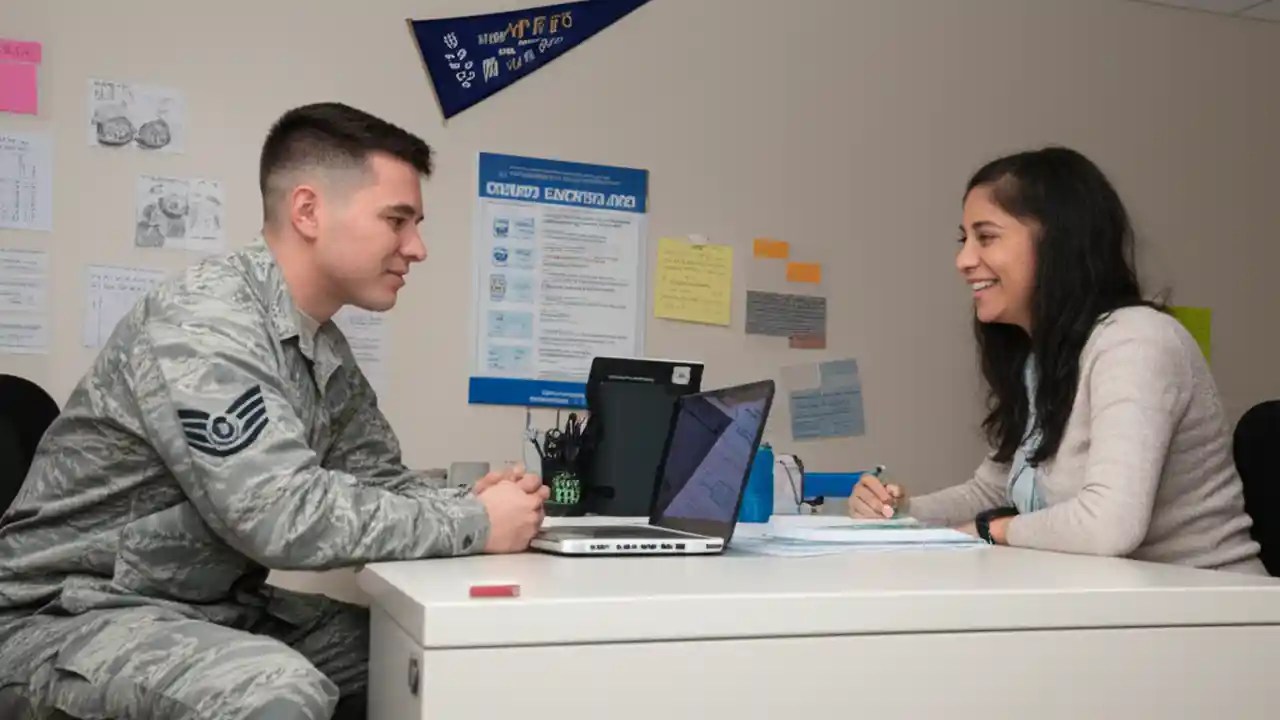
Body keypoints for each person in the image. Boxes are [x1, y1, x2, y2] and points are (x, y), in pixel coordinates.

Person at [0, 102, 550, 720]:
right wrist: (476, 523)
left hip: (206, 609)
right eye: (397, 220)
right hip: (67, 617)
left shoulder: (318, 343)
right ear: (309, 211)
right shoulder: (205, 321)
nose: (416, 247)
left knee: (427, 650)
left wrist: (478, 503)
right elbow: (279, 515)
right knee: (273, 692)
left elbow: (378, 482)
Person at [849, 146, 1265, 576]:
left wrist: (992, 530)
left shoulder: (1137, 340)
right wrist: (901, 513)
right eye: (964, 239)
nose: (964, 260)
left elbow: (1109, 526)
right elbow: (990, 489)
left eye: (986, 237)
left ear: (1056, 241)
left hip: (1212, 615)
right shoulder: (1040, 361)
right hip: (1116, 606)